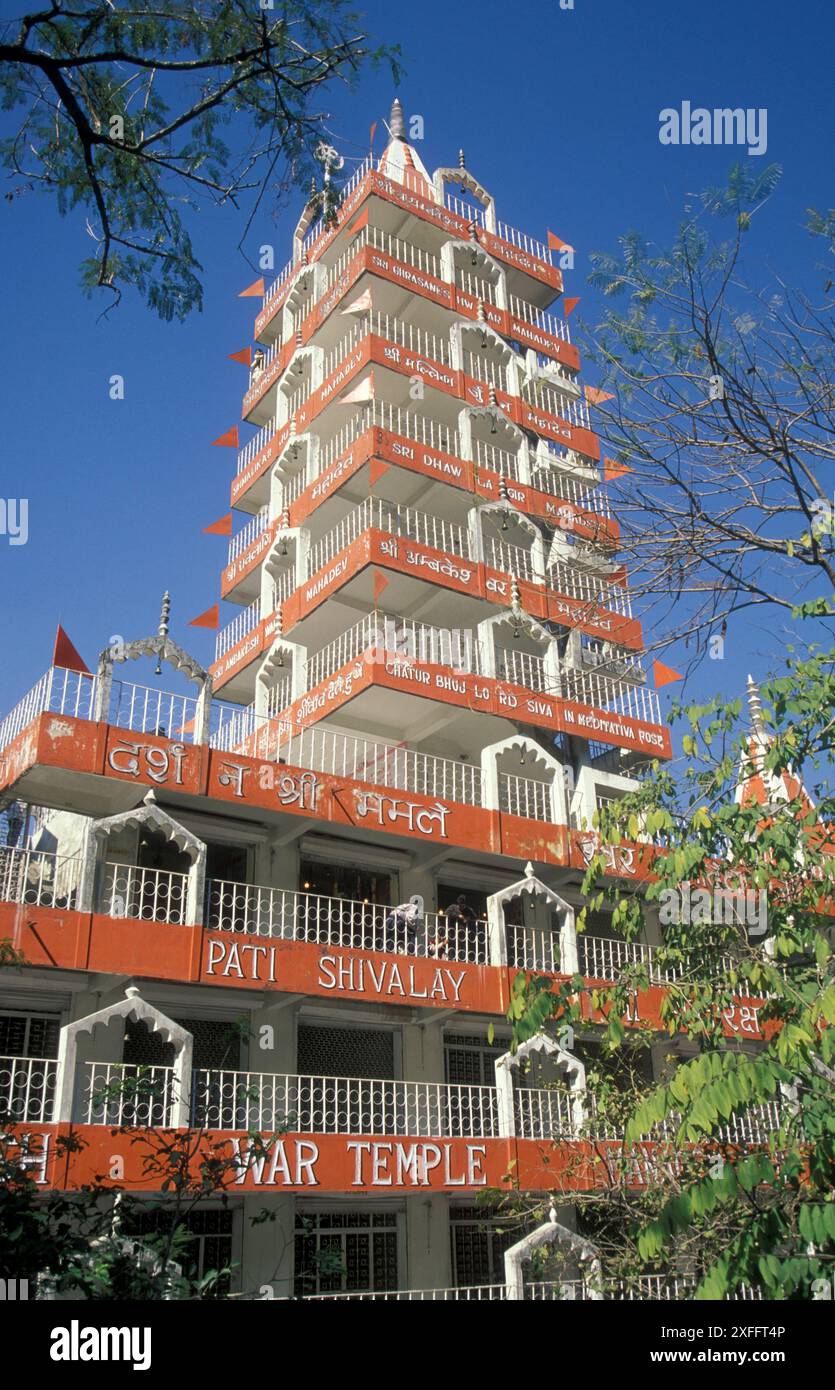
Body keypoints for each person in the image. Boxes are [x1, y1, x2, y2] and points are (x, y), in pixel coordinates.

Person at [444, 894, 482, 960]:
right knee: (452, 946)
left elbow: (475, 917)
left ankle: (462, 959)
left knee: (462, 947)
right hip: (453, 931)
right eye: (460, 905)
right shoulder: (453, 907)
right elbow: (446, 913)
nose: (461, 907)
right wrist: (457, 915)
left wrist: (468, 918)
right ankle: (451, 959)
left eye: (463, 906)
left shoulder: (469, 910)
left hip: (463, 932)